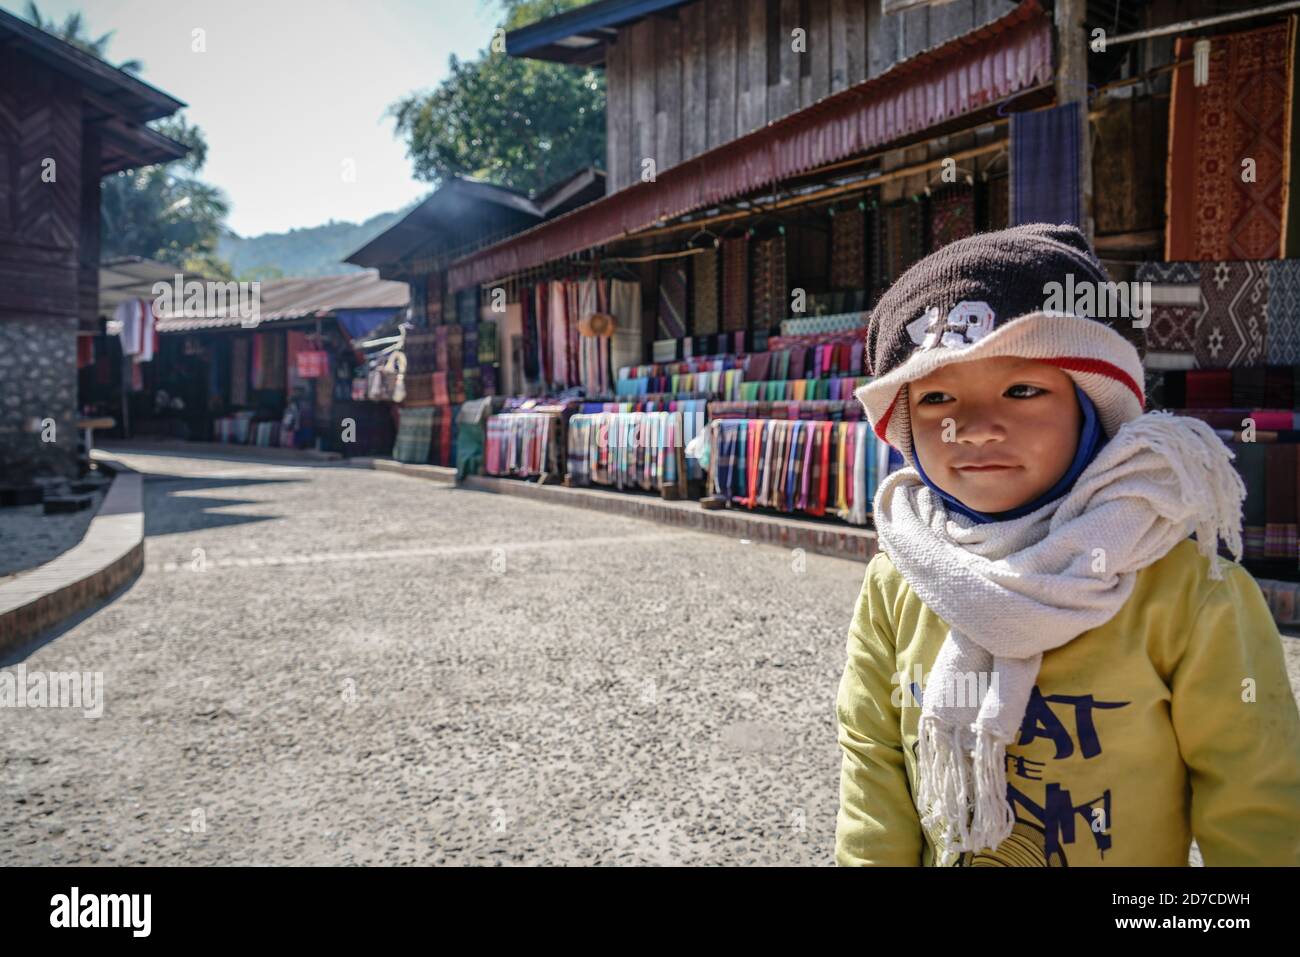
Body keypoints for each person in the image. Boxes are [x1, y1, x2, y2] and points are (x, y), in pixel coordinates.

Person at [834, 223, 1300, 866]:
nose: (974, 428)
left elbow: (1258, 804)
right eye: (937, 396)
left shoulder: (1186, 590)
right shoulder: (899, 579)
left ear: (1093, 408)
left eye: (1022, 390)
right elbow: (873, 766)